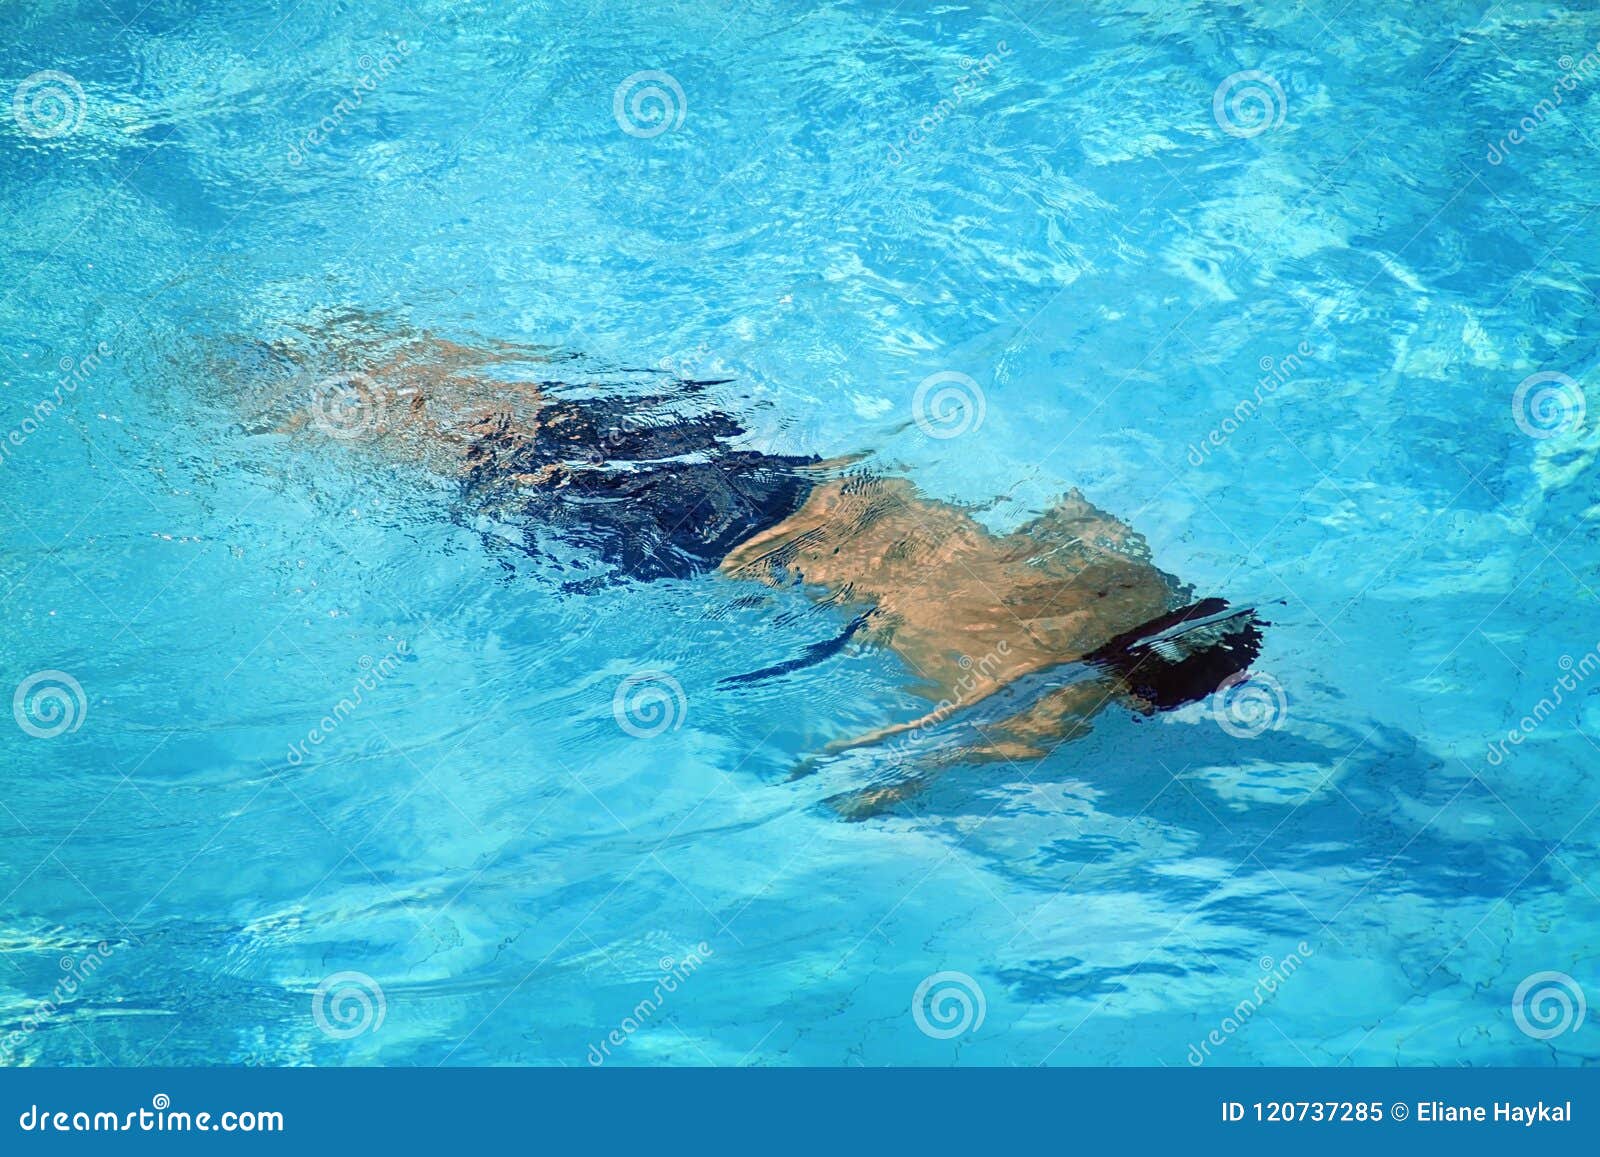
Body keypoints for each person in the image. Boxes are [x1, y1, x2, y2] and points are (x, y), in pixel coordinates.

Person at [227, 318, 1262, 815]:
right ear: (1138, 696)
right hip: (726, 550)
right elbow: (870, 773)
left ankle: (293, 344)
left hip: (785, 476)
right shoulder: (1050, 709)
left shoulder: (1120, 569)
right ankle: (243, 393)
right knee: (465, 460)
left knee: (513, 406)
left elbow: (1079, 499)